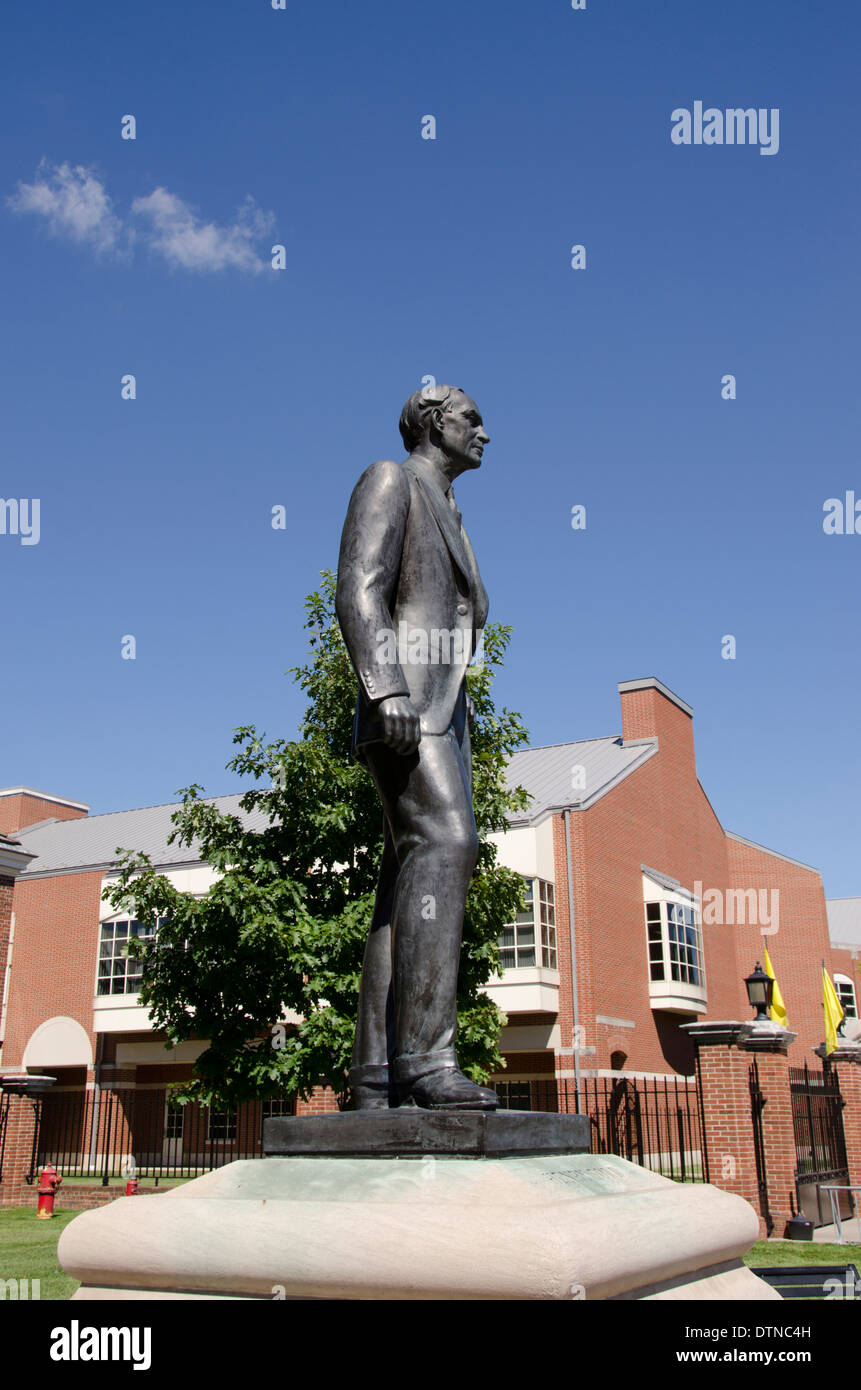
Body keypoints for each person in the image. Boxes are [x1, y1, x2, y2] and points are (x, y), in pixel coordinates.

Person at [335, 384, 499, 1110]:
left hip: (445, 714)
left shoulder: (454, 514)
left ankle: (375, 1075)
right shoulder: (389, 480)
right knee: (446, 846)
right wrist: (386, 689)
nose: (485, 432)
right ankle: (426, 1063)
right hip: (406, 708)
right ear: (432, 422)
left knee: (404, 882)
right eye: (472, 418)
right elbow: (359, 587)